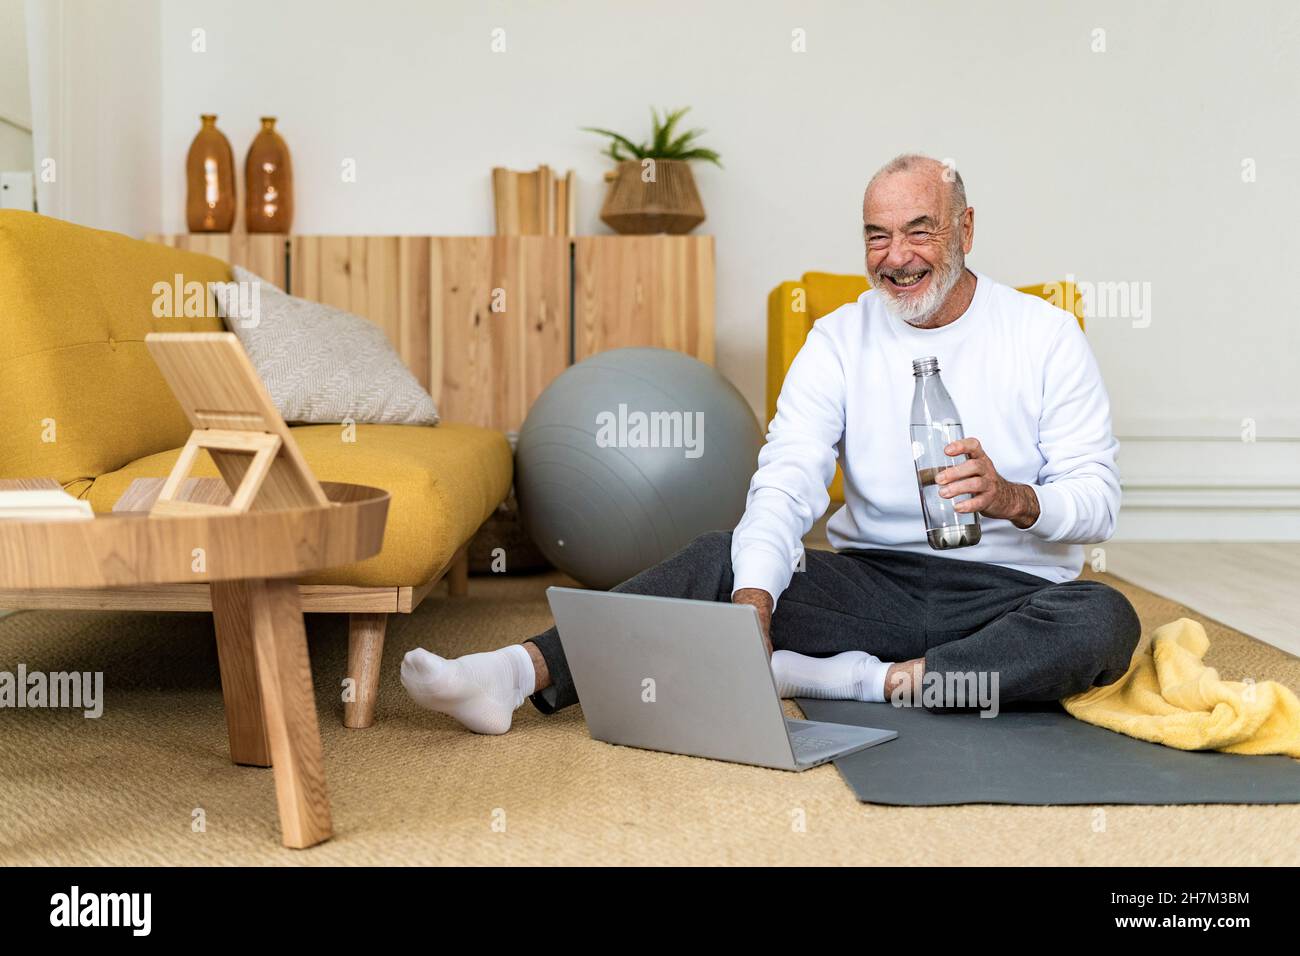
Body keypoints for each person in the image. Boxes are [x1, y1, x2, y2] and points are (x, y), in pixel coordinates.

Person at [401, 153, 1141, 735]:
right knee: (724, 558)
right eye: (876, 235)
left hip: (1009, 599)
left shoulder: (1045, 336)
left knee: (1103, 624)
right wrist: (752, 599)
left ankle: (866, 682)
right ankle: (511, 674)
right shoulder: (838, 339)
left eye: (920, 229)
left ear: (967, 229)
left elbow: (1097, 502)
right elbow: (787, 477)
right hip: (872, 585)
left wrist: (1016, 498)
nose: (897, 256)